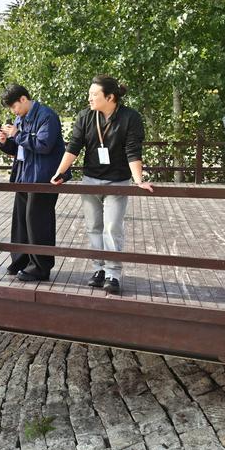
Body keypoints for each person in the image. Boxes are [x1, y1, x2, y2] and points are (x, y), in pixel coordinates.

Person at [51, 76, 153, 294]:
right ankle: (98, 269)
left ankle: (113, 274)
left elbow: (133, 150)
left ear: (110, 97)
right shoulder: (85, 116)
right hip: (90, 179)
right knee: (94, 227)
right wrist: (60, 173)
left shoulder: (130, 117)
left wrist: (139, 181)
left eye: (94, 94)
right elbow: (73, 147)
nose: (89, 98)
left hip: (117, 181)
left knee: (112, 228)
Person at [0, 84, 66, 282]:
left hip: (43, 178)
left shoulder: (47, 116)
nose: (13, 111)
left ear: (24, 99)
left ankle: (40, 267)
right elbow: (18, 148)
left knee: (38, 223)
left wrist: (17, 134)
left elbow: (43, 145)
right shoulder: (21, 118)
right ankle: (20, 261)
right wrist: (4, 141)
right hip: (23, 176)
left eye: (14, 106)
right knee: (21, 222)